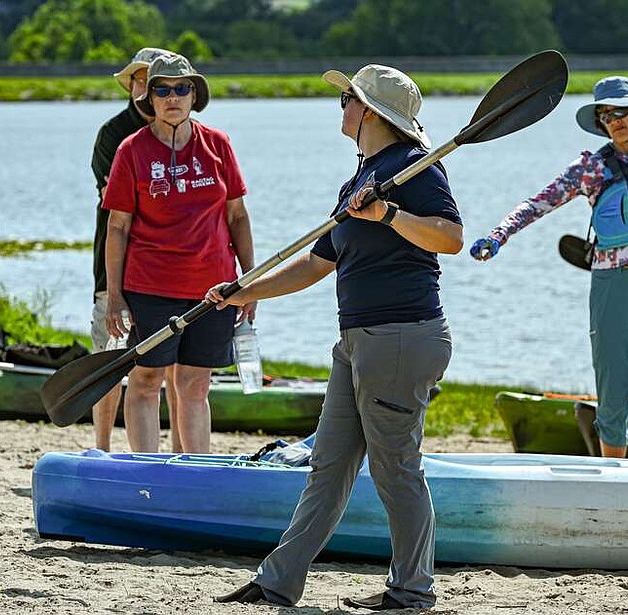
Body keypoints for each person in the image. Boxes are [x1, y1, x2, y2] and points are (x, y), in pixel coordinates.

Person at [209, 64, 462, 610]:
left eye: (346, 98)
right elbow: (316, 263)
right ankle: (278, 581)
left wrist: (389, 213)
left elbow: (450, 238)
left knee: (396, 469)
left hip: (402, 337)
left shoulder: (416, 169)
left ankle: (413, 591)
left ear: (369, 111)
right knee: (328, 465)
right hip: (356, 342)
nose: (340, 106)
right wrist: (243, 290)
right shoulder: (359, 180)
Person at [471, 76, 628, 462]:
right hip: (611, 284)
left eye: (621, 112)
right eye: (605, 115)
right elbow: (539, 203)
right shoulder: (591, 167)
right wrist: (500, 235)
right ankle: (612, 482)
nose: (614, 121)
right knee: (612, 394)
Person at [103, 53, 255, 454]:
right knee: (147, 380)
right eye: (163, 90)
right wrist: (115, 297)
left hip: (214, 287)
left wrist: (250, 282)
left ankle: (197, 471)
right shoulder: (130, 150)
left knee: (194, 383)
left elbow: (237, 216)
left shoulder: (218, 145)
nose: (173, 97)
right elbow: (116, 228)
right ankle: (147, 471)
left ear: (194, 95)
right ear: (149, 98)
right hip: (150, 286)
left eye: (182, 88)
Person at [90, 47, 182, 452]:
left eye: (158, 82)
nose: (149, 88)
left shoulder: (184, 133)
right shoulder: (115, 135)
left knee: (178, 368)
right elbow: (121, 204)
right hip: (115, 265)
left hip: (170, 270)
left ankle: (181, 448)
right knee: (109, 359)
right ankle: (102, 447)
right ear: (132, 86)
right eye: (142, 80)